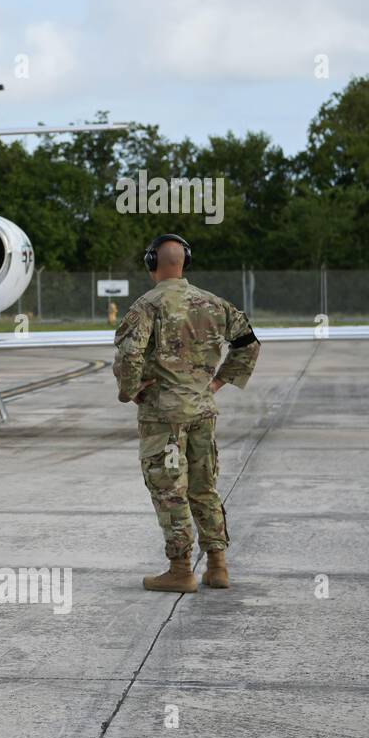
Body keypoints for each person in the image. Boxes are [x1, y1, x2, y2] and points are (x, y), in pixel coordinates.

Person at [113, 234, 260, 592]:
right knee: (204, 488)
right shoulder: (213, 304)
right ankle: (218, 566)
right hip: (202, 411)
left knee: (169, 490)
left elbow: (130, 354)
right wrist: (217, 383)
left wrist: (129, 391)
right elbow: (248, 343)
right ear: (185, 263)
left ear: (153, 263)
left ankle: (180, 570)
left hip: (164, 416)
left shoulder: (147, 306)